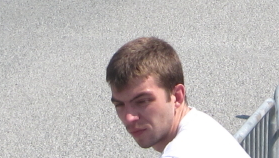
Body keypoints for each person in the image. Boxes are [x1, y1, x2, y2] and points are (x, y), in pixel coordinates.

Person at [106, 37, 251, 157]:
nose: (129, 117)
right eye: (119, 105)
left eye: (142, 101)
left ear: (177, 96)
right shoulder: (201, 126)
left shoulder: (181, 152)